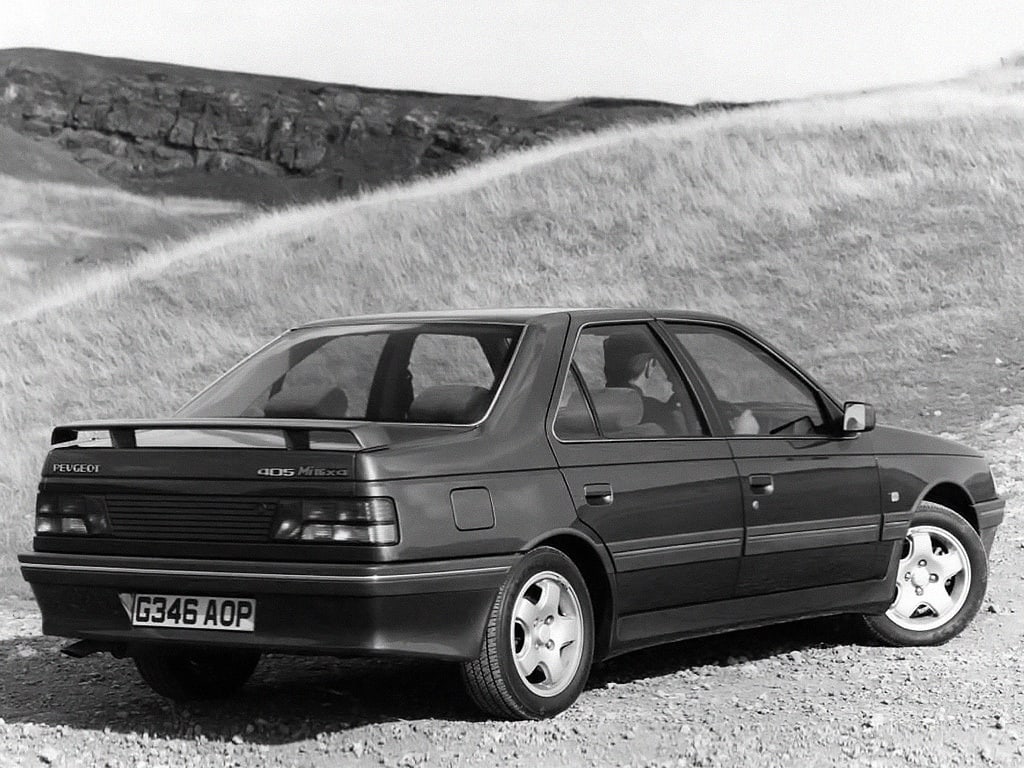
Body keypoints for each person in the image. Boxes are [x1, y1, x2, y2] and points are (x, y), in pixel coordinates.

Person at [624, 352, 693, 435]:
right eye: (668, 369)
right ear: (650, 365)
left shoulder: (609, 404)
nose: (671, 379)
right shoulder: (664, 415)